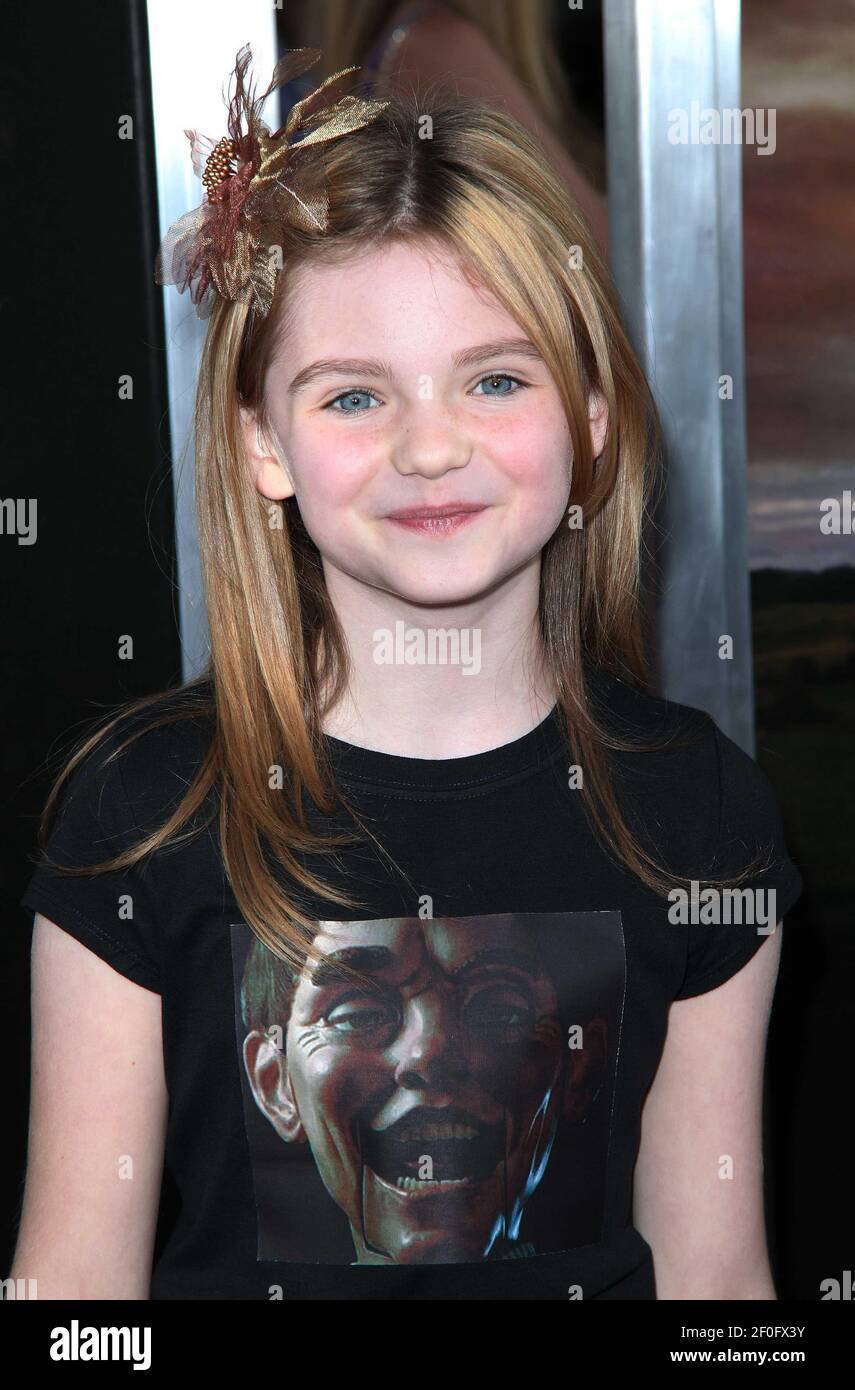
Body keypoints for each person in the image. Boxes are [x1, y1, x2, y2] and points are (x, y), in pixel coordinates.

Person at [10, 43, 801, 1300]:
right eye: (352, 398)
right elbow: (69, 1302)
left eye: (494, 379)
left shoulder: (698, 815)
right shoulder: (142, 813)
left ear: (590, 419)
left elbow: (718, 1291)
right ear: (263, 445)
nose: (432, 447)